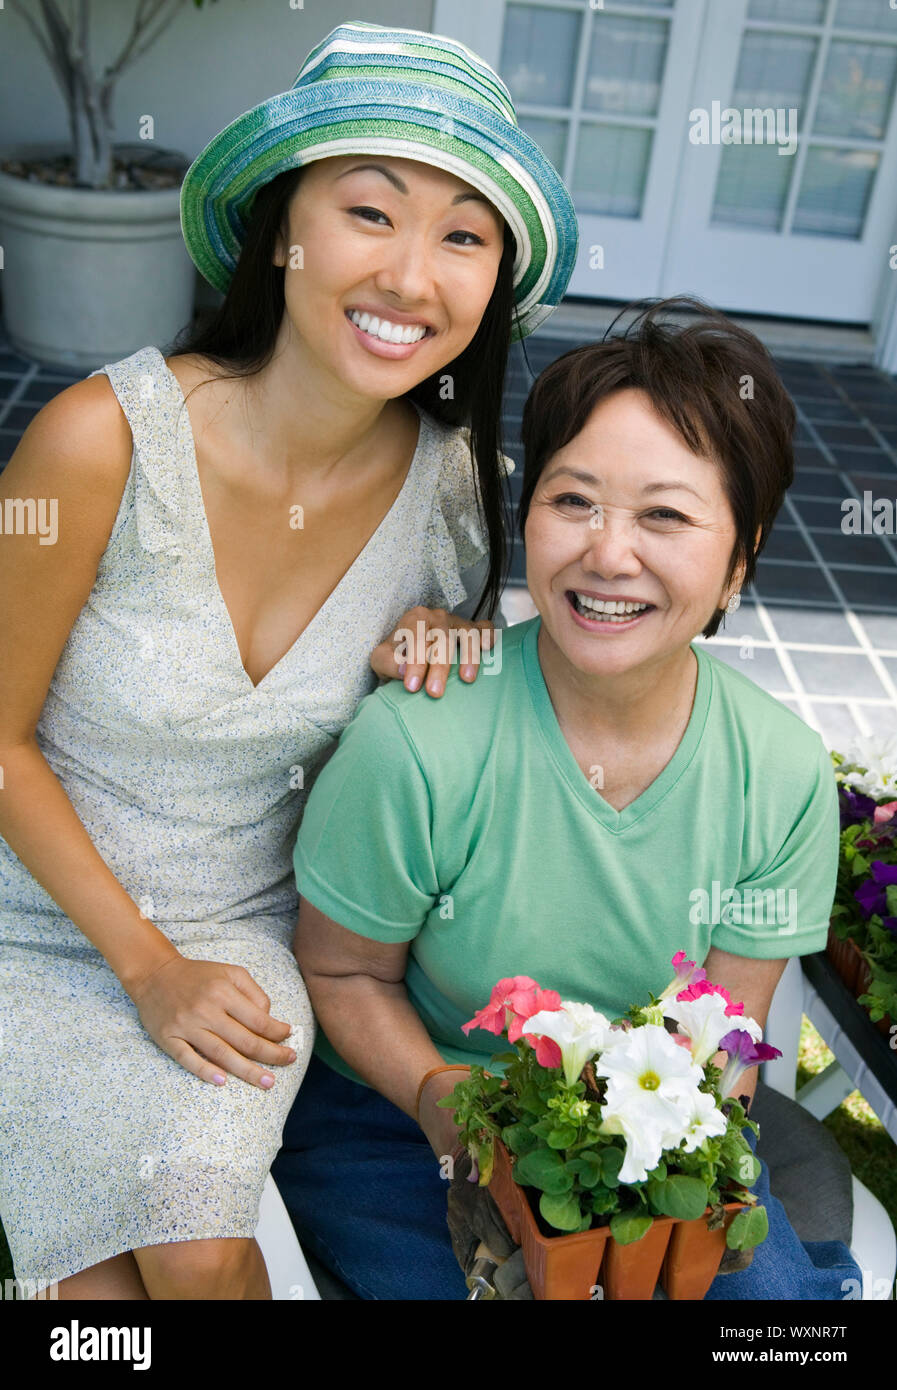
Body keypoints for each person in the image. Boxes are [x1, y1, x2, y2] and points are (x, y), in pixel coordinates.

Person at [0, 20, 577, 1300]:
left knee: (202, 1257)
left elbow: (439, 706)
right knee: (90, 1307)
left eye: (464, 236)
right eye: (371, 212)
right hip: (33, 927)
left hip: (243, 930)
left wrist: (450, 644)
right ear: (281, 231)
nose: (412, 277)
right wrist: (145, 969)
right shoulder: (98, 439)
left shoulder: (452, 493)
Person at [274, 297, 865, 1300]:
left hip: (647, 1121)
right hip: (404, 1110)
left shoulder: (781, 772)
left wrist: (668, 1161)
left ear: (741, 556)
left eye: (666, 515)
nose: (608, 552)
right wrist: (436, 1093)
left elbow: (725, 1036)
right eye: (573, 500)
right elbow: (340, 973)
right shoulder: (418, 743)